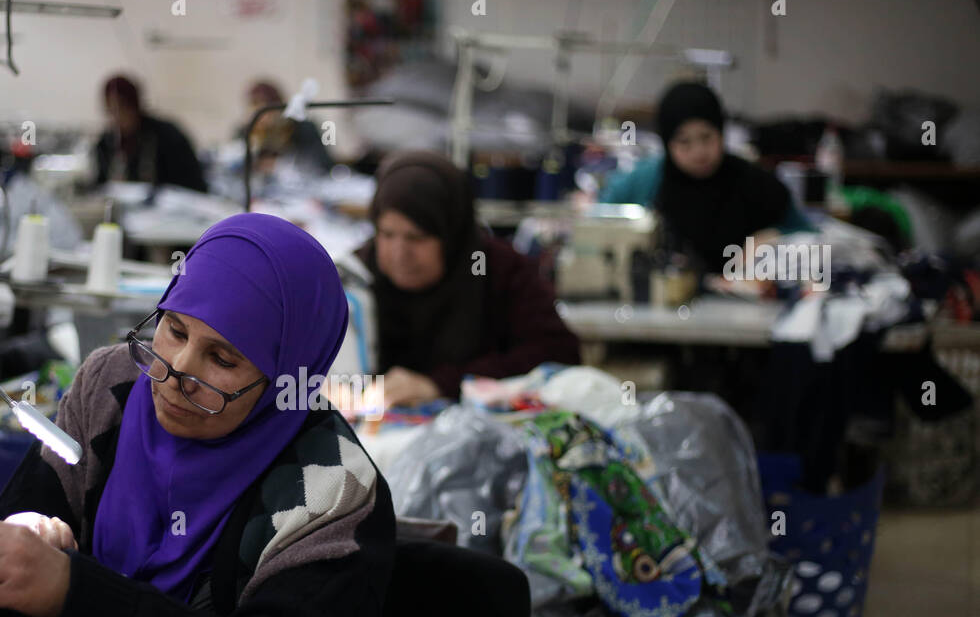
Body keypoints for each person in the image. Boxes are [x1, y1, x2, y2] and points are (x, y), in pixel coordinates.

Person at [0, 213, 396, 617]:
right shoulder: (109, 386)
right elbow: (22, 522)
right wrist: (22, 532)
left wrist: (73, 595)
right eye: (174, 329)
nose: (174, 372)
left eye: (223, 358)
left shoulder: (334, 490)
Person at [341, 150, 580, 407]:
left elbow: (559, 354)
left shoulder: (499, 271)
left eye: (416, 238)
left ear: (452, 235)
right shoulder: (357, 274)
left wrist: (441, 384)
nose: (399, 254)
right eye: (387, 234)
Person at [600, 81, 815, 272]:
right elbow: (598, 221)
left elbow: (811, 237)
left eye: (706, 137)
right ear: (667, 142)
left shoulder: (757, 185)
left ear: (721, 133)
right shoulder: (645, 181)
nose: (699, 152)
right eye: (684, 141)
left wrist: (775, 238)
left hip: (745, 310)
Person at [92, 74, 207, 191]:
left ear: (134, 105)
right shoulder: (106, 144)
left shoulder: (167, 137)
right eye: (111, 110)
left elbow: (190, 185)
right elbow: (102, 186)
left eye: (122, 108)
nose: (117, 117)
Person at [238, 80, 334, 175]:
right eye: (254, 105)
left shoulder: (301, 129)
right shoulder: (246, 133)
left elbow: (321, 164)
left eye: (267, 106)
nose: (263, 116)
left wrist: (280, 165)